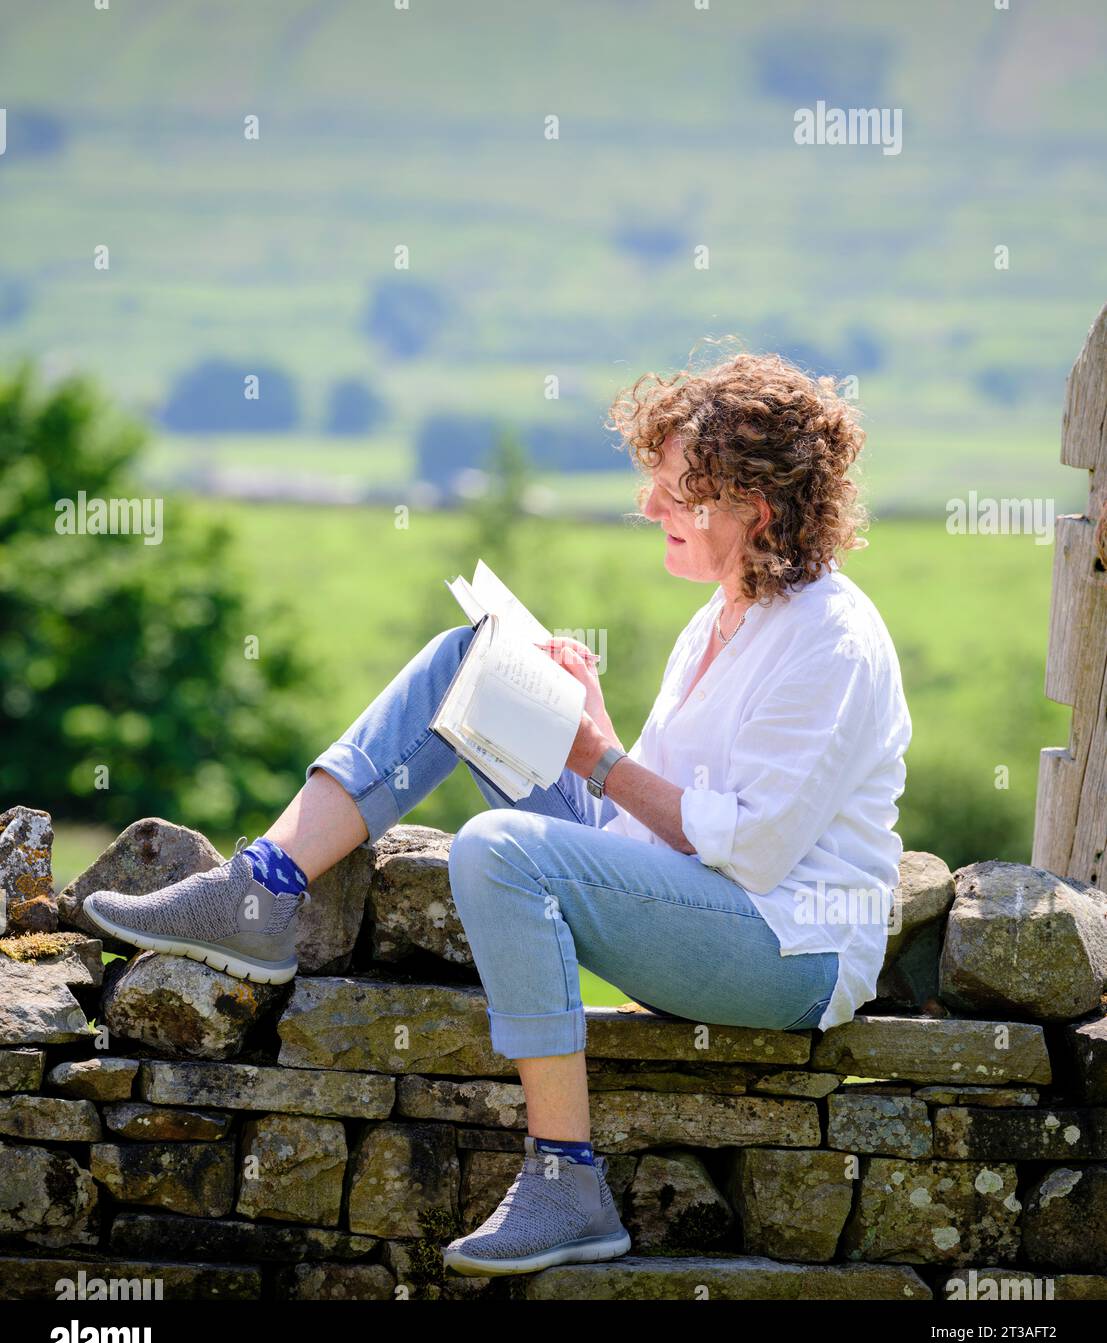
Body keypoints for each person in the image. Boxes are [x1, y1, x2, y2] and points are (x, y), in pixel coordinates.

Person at [82, 349, 912, 1278]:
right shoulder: (724, 611)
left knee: (501, 850)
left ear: (754, 509)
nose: (649, 510)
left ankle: (567, 1180)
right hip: (698, 896)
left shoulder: (830, 640)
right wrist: (590, 726)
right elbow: (666, 817)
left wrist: (597, 756)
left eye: (678, 494)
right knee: (467, 663)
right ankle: (261, 890)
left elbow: (751, 848)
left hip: (783, 950)